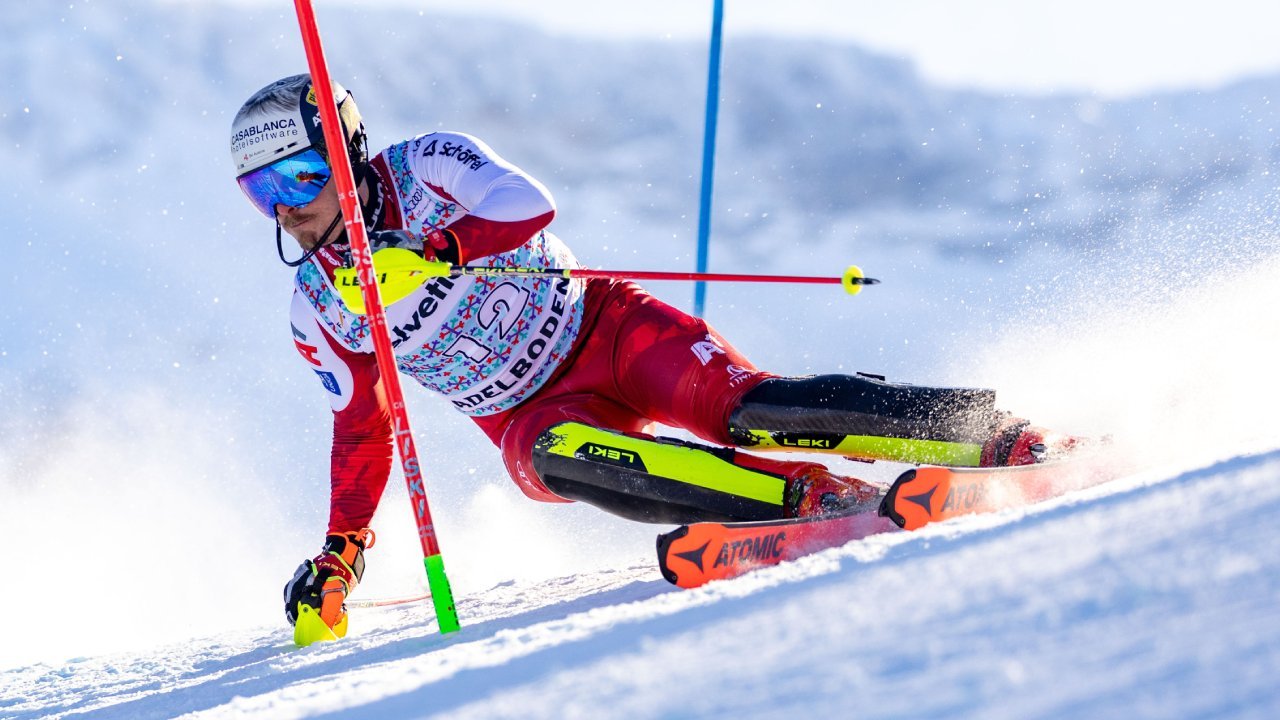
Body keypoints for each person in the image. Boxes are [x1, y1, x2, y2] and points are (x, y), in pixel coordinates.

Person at [230, 74, 1077, 638]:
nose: (287, 212)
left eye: (299, 178)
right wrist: (343, 548)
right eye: (261, 194)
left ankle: (989, 436)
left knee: (754, 409)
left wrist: (441, 249)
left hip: (608, 333)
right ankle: (812, 503)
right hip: (530, 414)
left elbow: (528, 203)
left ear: (344, 152)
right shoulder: (319, 305)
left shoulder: (426, 164)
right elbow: (361, 426)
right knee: (552, 460)